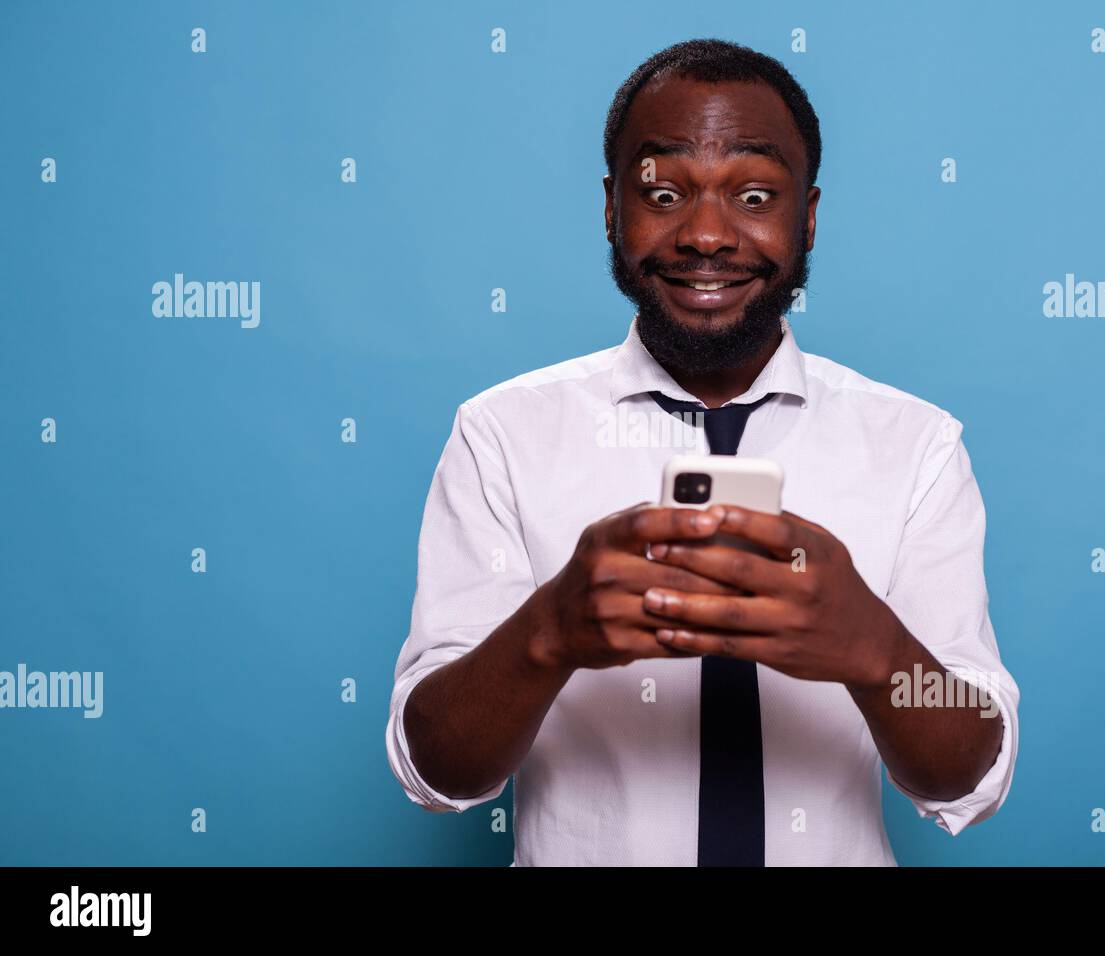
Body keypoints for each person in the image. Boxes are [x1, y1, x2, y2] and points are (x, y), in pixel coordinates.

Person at [386, 38, 1019, 866]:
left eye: (754, 193)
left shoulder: (916, 444)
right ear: (612, 208)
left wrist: (874, 650)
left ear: (809, 216)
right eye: (663, 191)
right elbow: (438, 769)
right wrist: (550, 631)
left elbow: (967, 770)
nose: (708, 234)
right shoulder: (501, 434)